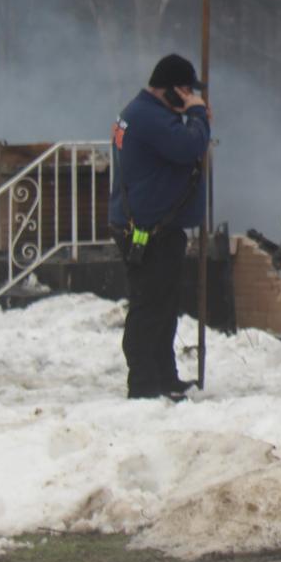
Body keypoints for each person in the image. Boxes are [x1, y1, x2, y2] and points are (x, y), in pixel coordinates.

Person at [110, 54, 211, 399]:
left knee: (164, 305)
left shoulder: (141, 114)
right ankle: (143, 381)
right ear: (168, 89)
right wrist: (197, 114)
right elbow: (189, 147)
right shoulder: (148, 117)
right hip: (149, 229)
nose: (189, 97)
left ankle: (163, 374)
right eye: (185, 90)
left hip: (154, 225)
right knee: (150, 305)